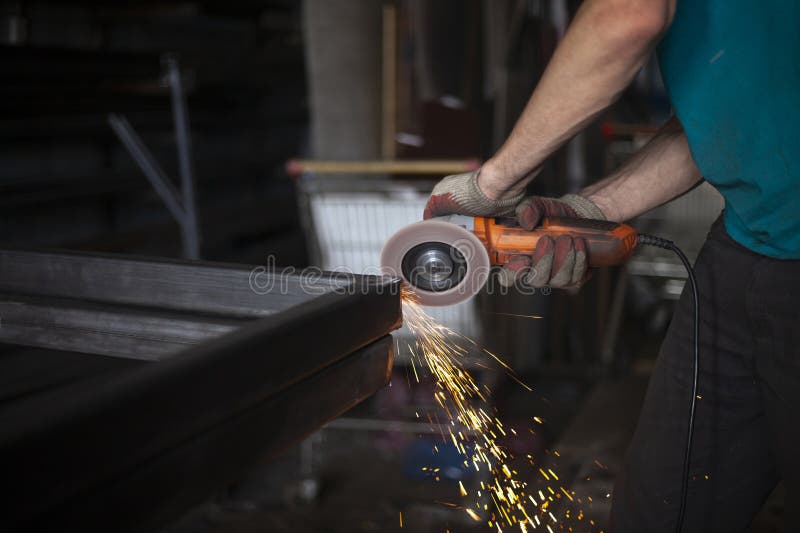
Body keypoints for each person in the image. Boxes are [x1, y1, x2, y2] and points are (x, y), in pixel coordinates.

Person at [423, 1, 800, 531]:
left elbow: (627, 14)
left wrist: (491, 185)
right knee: (659, 511)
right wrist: (589, 212)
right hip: (743, 249)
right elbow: (718, 123)